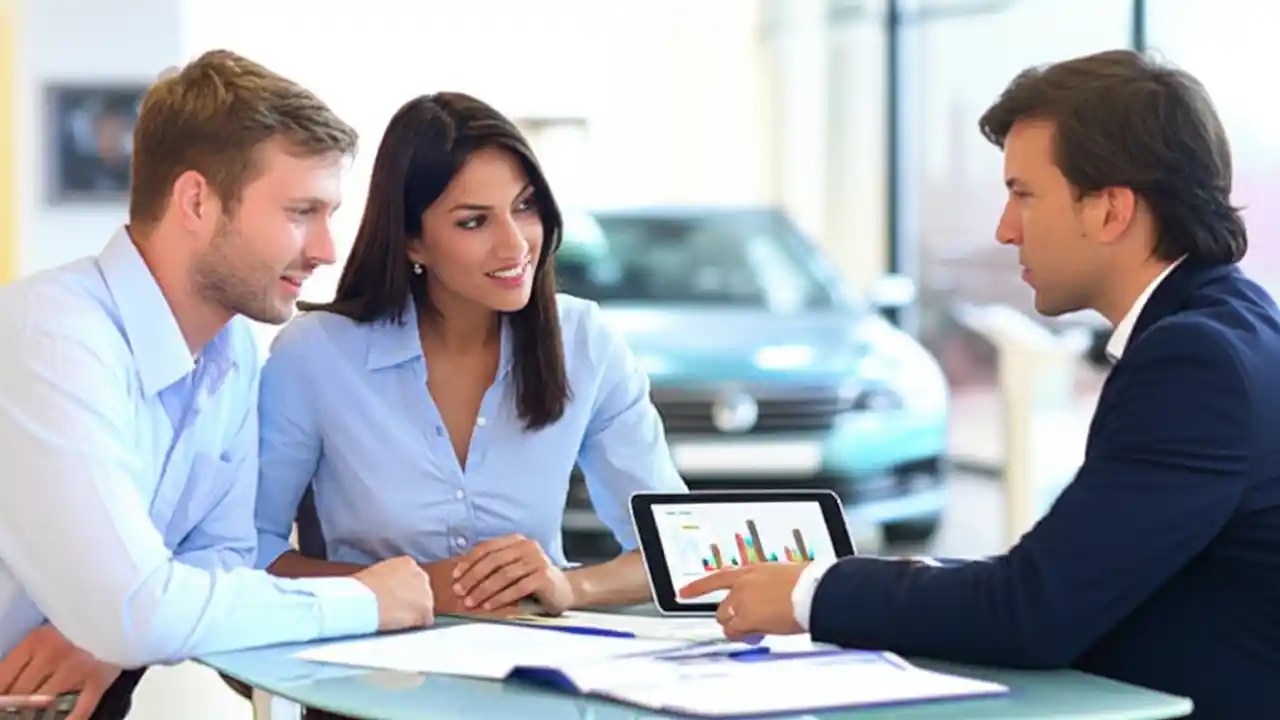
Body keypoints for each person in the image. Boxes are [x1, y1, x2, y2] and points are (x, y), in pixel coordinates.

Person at [680, 49, 1280, 717]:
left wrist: (808, 595)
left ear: (1110, 211)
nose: (1004, 228)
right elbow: (1070, 577)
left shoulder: (1194, 363)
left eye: (1024, 194)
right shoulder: (1236, 323)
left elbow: (1037, 609)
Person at [0, 50, 435, 720]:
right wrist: (366, 599)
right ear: (196, 200)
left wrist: (116, 623)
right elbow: (136, 611)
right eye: (301, 212)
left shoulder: (229, 349)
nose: (325, 249)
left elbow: (222, 560)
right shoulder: (52, 340)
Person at [254, 92, 686, 618]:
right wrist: (400, 589)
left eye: (524, 207)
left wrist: (570, 587)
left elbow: (680, 552)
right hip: (369, 680)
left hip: (535, 675)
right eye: (474, 222)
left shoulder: (585, 342)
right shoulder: (316, 355)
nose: (515, 246)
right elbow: (251, 552)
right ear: (413, 241)